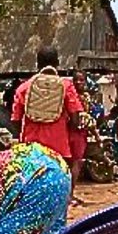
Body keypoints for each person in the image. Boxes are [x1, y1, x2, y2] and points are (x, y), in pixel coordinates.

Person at [11, 48, 86, 203]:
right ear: (57, 63)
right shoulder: (66, 86)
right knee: (58, 189)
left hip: (31, 148)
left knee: (31, 188)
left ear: (38, 63)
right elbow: (75, 117)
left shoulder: (24, 88)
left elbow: (15, 119)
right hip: (59, 148)